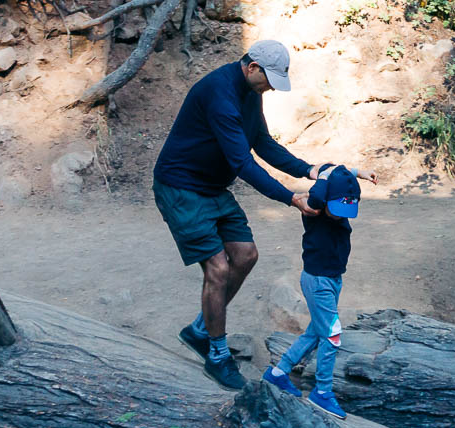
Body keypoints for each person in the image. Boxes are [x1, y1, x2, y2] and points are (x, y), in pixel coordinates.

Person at [154, 40, 370, 390]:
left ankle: (199, 331)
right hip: (182, 188)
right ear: (252, 66)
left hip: (211, 188)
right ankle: (218, 355)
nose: (270, 87)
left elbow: (262, 143)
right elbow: (242, 162)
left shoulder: (251, 94)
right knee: (218, 267)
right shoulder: (220, 94)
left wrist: (309, 170)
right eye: (268, 79)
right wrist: (289, 198)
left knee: (245, 255)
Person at [262, 163, 367, 418]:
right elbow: (321, 188)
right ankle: (322, 392)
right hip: (318, 282)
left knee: (315, 332)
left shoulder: (337, 207)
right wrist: (326, 174)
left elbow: (339, 175)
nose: (342, 214)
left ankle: (277, 373)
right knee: (331, 335)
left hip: (331, 279)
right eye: (338, 207)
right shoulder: (313, 208)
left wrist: (356, 172)